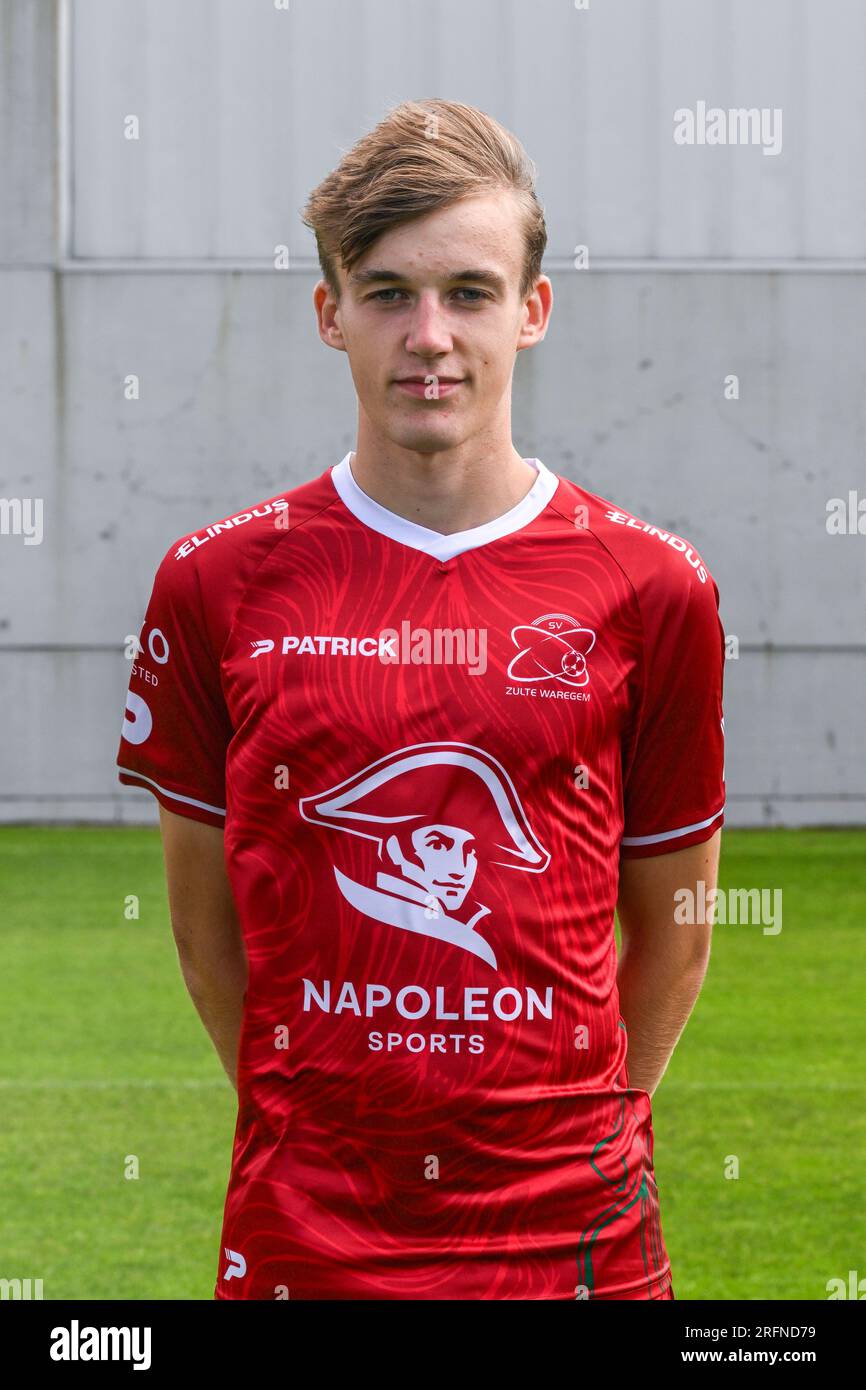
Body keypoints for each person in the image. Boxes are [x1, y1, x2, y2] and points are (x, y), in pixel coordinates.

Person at [115, 98, 725, 1300]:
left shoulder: (651, 586)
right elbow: (204, 931)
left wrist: (575, 1129)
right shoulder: (217, 580)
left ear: (531, 311)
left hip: (572, 1230)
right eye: (387, 292)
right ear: (328, 313)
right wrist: (324, 1126)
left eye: (468, 291)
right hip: (307, 1231)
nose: (427, 335)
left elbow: (676, 926)